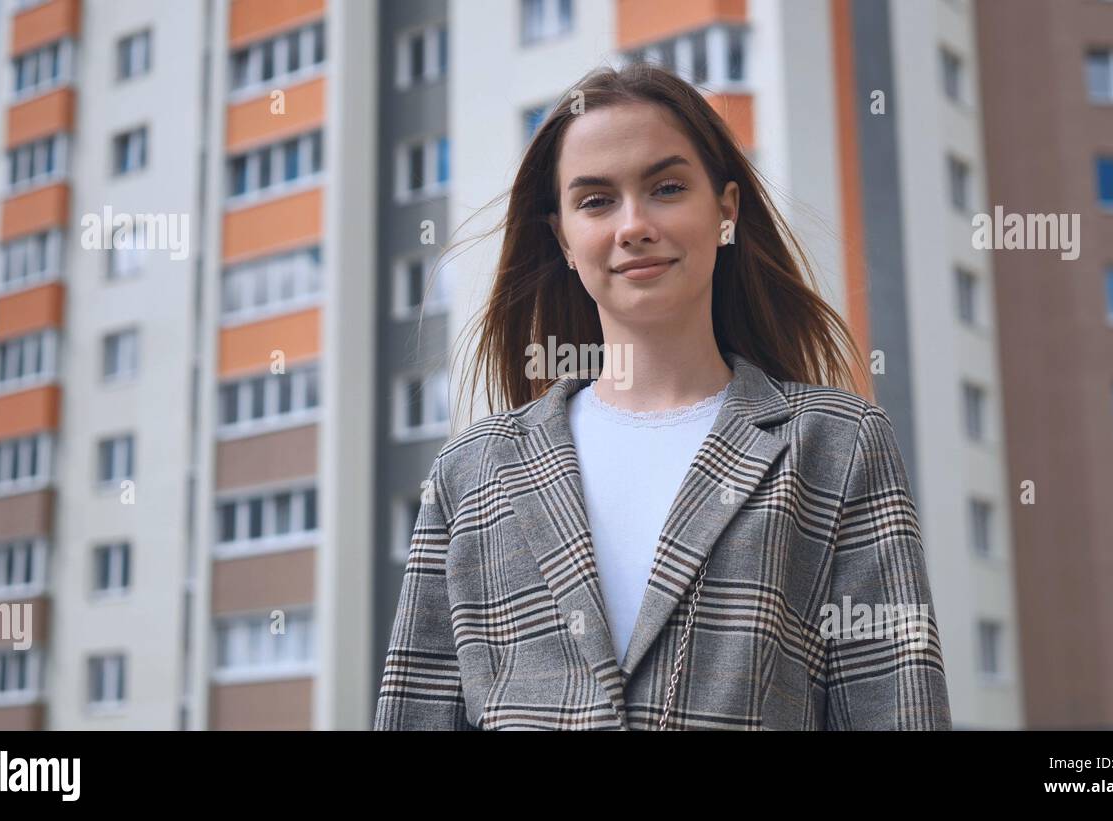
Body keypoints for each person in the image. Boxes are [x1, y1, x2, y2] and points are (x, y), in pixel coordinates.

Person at [374, 63, 951, 730]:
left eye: (667, 187)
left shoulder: (835, 444)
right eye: (596, 200)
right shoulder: (471, 472)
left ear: (726, 210)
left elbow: (899, 710)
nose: (634, 224)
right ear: (563, 236)